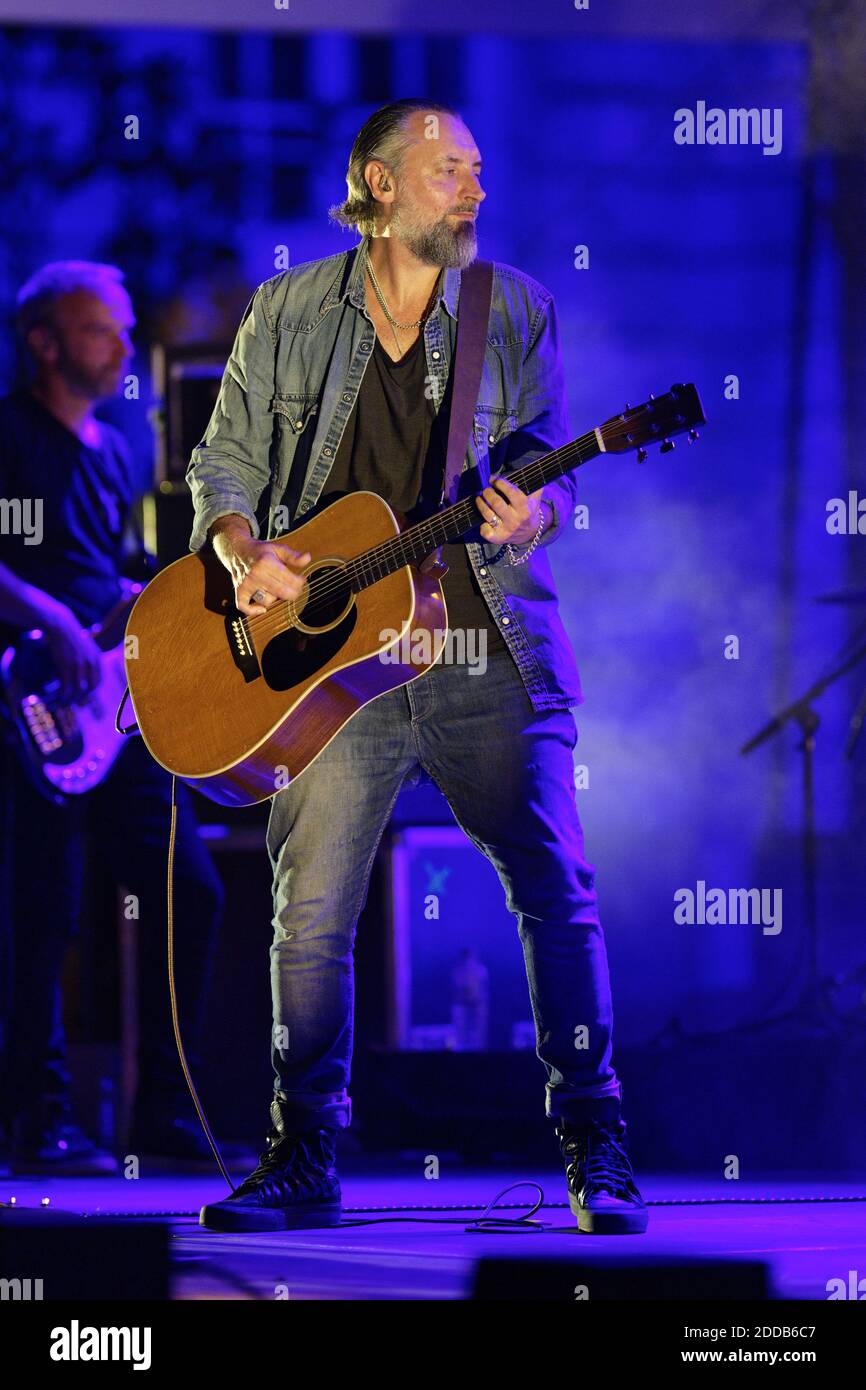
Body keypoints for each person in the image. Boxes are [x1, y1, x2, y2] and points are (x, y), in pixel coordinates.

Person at [188, 100, 647, 1234]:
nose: (473, 189)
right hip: (334, 663)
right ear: (378, 184)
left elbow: (550, 466)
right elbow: (223, 463)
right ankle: (302, 1153)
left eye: (479, 171)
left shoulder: (517, 308)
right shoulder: (288, 310)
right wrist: (245, 552)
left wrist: (537, 509)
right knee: (310, 918)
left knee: (554, 894)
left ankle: (596, 1145)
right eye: (450, 169)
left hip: (485, 644)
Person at [0, 261, 224, 1173]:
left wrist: (152, 595)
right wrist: (49, 616)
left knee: (190, 890)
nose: (124, 345)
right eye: (102, 330)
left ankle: (167, 1116)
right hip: (30, 703)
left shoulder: (119, 448)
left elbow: (122, 565)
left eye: (125, 328)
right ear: (46, 342)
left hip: (112, 704)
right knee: (40, 910)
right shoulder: (8, 435)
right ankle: (37, 1119)